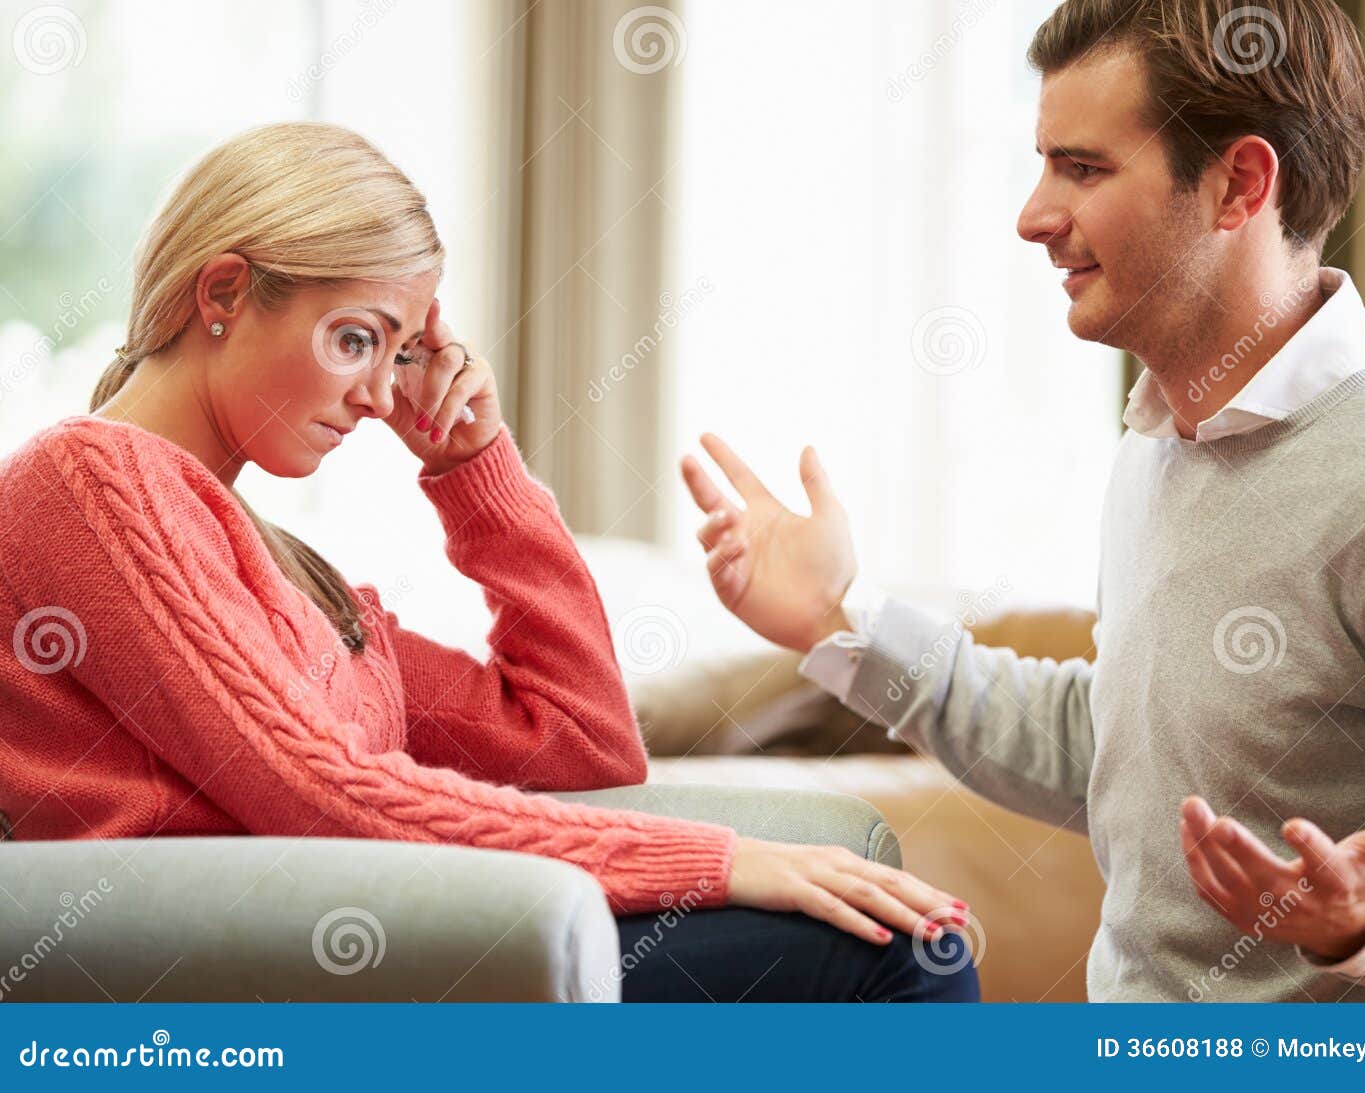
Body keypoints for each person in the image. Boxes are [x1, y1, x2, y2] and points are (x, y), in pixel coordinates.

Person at [681, 0, 1365, 1002]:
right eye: (1042, 163)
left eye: (1082, 168)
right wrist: (840, 618)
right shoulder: (1162, 438)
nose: (1032, 215)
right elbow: (1120, 749)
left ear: (1238, 185)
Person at [0, 122, 978, 1003]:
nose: (380, 396)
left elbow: (582, 744)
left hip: (372, 941)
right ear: (222, 293)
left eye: (399, 355)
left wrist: (474, 468)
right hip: (251, 978)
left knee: (901, 945)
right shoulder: (88, 478)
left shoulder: (285, 571)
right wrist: (715, 860)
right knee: (892, 958)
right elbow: (317, 789)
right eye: (355, 339)